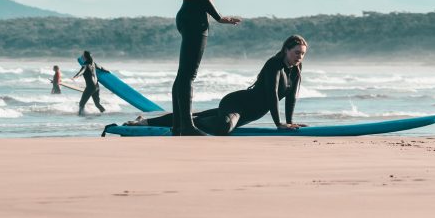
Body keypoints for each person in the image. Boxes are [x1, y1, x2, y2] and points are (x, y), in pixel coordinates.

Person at [129, 35, 308, 135]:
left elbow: (291, 98)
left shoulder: (297, 69)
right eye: (296, 52)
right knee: (223, 127)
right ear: (286, 50)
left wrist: (290, 122)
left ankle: (145, 121)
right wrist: (279, 124)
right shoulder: (274, 65)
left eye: (302, 54)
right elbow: (272, 95)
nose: (299, 57)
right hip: (238, 104)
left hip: (250, 112)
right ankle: (178, 125)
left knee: (200, 117)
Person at [172, 0, 241, 136]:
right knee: (188, 76)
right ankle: (186, 126)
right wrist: (218, 16)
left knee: (183, 75)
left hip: (190, 13)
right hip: (194, 14)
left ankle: (178, 125)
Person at [72, 51, 107, 115]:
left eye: (82, 55)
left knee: (81, 104)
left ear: (84, 57)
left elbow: (82, 71)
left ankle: (81, 115)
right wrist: (107, 71)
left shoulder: (85, 65)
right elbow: (102, 68)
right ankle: (105, 113)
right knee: (97, 104)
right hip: (96, 86)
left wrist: (75, 76)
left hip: (90, 87)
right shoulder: (94, 64)